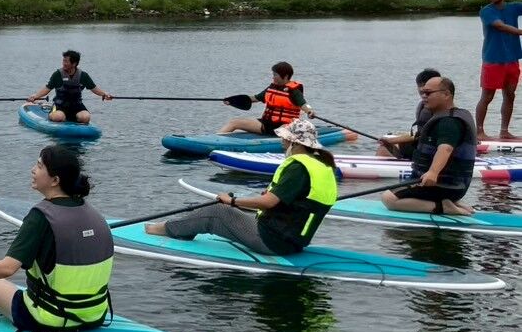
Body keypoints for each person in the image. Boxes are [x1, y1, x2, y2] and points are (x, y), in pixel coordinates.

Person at [0, 145, 111, 332]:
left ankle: (16, 313)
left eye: (40, 166)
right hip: (96, 316)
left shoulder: (40, 217)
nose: (33, 170)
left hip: (51, 319)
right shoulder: (95, 215)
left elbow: (7, 268)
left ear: (55, 180)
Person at [147, 118, 338, 254]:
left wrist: (232, 201)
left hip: (272, 241)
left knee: (217, 211)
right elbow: (291, 204)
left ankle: (163, 230)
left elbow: (270, 202)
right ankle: (182, 229)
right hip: (294, 242)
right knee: (229, 210)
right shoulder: (321, 166)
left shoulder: (298, 167)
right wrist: (238, 204)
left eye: (284, 138)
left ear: (294, 142)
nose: (281, 141)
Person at [383, 76, 477, 217]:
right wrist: (393, 145)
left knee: (388, 198)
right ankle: (452, 202)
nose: (424, 96)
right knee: (397, 190)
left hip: (444, 185)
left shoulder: (449, 122)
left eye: (428, 93)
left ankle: (443, 207)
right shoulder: (442, 117)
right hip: (450, 185)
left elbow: (445, 149)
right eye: (422, 93)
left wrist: (433, 172)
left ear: (446, 94)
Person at [216, 61, 315, 135]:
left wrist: (309, 111)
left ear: (285, 76)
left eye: (275, 75)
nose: (273, 77)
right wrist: (232, 100)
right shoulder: (271, 88)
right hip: (266, 125)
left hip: (286, 126)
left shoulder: (294, 91)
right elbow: (254, 98)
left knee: (281, 130)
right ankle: (215, 139)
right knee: (235, 122)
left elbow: (303, 104)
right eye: (273, 74)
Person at [477, 0, 522, 140]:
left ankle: (504, 131)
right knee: (487, 96)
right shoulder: (486, 11)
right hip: (493, 60)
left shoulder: (514, 7)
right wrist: (520, 31)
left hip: (512, 60)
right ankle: (479, 131)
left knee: (510, 95)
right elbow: (501, 26)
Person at [26, 49, 114, 124]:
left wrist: (104, 94)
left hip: (77, 106)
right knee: (58, 117)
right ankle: (55, 116)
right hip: (60, 106)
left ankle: (74, 120)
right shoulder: (58, 74)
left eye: (66, 61)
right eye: (63, 61)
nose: (63, 63)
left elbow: (94, 88)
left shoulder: (83, 75)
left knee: (85, 117)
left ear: (74, 63)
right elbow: (47, 88)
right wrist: (35, 96)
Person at [377, 69, 441, 159]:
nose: (423, 93)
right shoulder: (422, 105)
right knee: (387, 145)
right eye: (420, 87)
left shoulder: (434, 109)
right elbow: (420, 134)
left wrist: (392, 140)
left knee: (383, 149)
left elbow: (421, 135)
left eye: (427, 90)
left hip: (430, 155)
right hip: (422, 148)